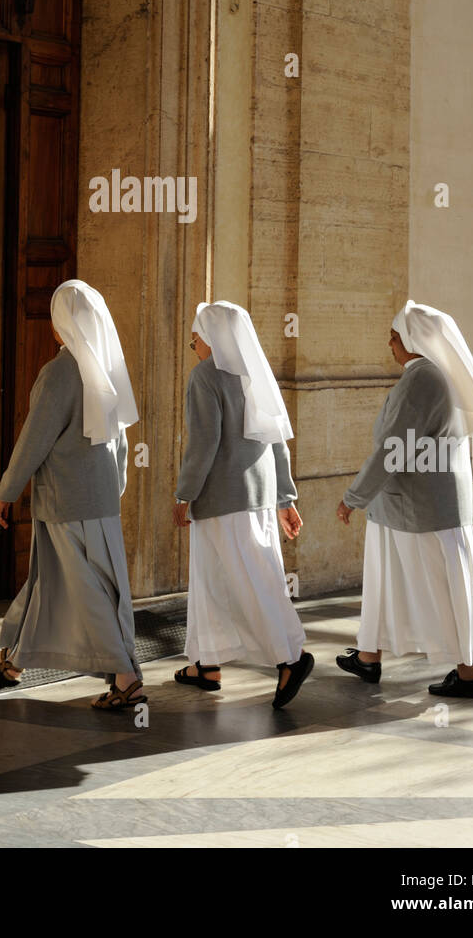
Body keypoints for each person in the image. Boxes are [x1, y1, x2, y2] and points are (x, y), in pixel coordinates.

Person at [0, 279, 144, 709]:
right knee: (50, 580)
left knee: (88, 593)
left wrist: (6, 492)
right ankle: (13, 659)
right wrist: (114, 488)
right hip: (100, 500)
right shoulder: (105, 367)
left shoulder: (60, 372)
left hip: (66, 504)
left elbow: (34, 439)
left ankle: (125, 677)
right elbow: (121, 439)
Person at [336, 300, 473, 698]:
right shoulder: (434, 373)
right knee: (382, 578)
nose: (389, 344)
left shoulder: (422, 378)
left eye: (395, 337)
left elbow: (393, 447)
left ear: (414, 340)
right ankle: (368, 656)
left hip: (418, 507)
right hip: (409, 504)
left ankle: (469, 674)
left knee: (441, 589)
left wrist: (353, 497)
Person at [172, 301, 313, 709]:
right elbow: (278, 441)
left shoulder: (204, 377)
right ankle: (206, 663)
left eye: (196, 333)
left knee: (252, 581)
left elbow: (203, 443)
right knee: (214, 579)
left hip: (222, 498)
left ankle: (291, 657)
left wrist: (185, 493)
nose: (192, 341)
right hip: (259, 495)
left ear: (212, 337)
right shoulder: (255, 374)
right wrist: (286, 497)